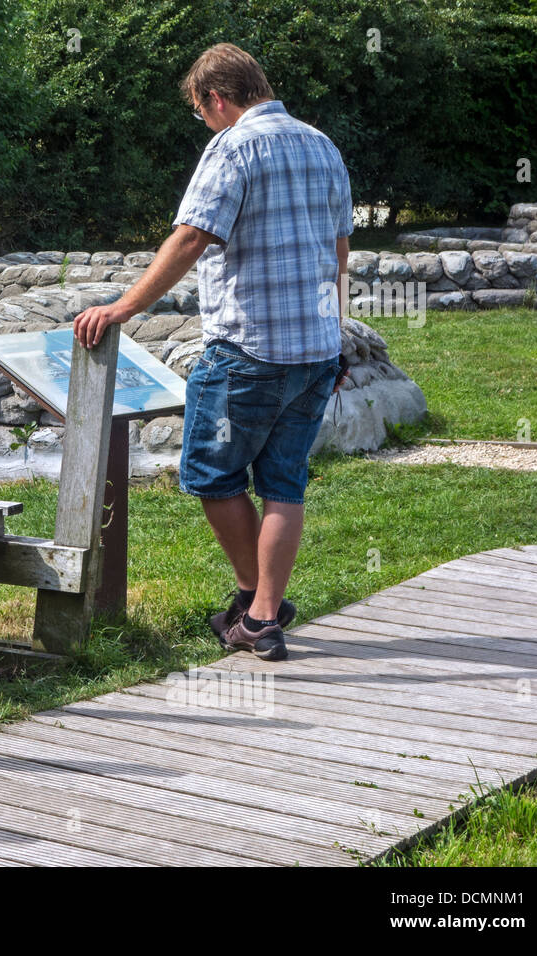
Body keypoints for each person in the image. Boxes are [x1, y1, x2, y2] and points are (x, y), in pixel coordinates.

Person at [72, 42, 352, 661]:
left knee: (210, 473)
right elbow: (338, 253)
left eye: (201, 110)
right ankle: (260, 615)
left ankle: (259, 605)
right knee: (284, 483)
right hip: (314, 350)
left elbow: (193, 235)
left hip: (249, 350)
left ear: (216, 98)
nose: (203, 121)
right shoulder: (322, 145)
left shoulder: (233, 146)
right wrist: (337, 338)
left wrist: (122, 308)